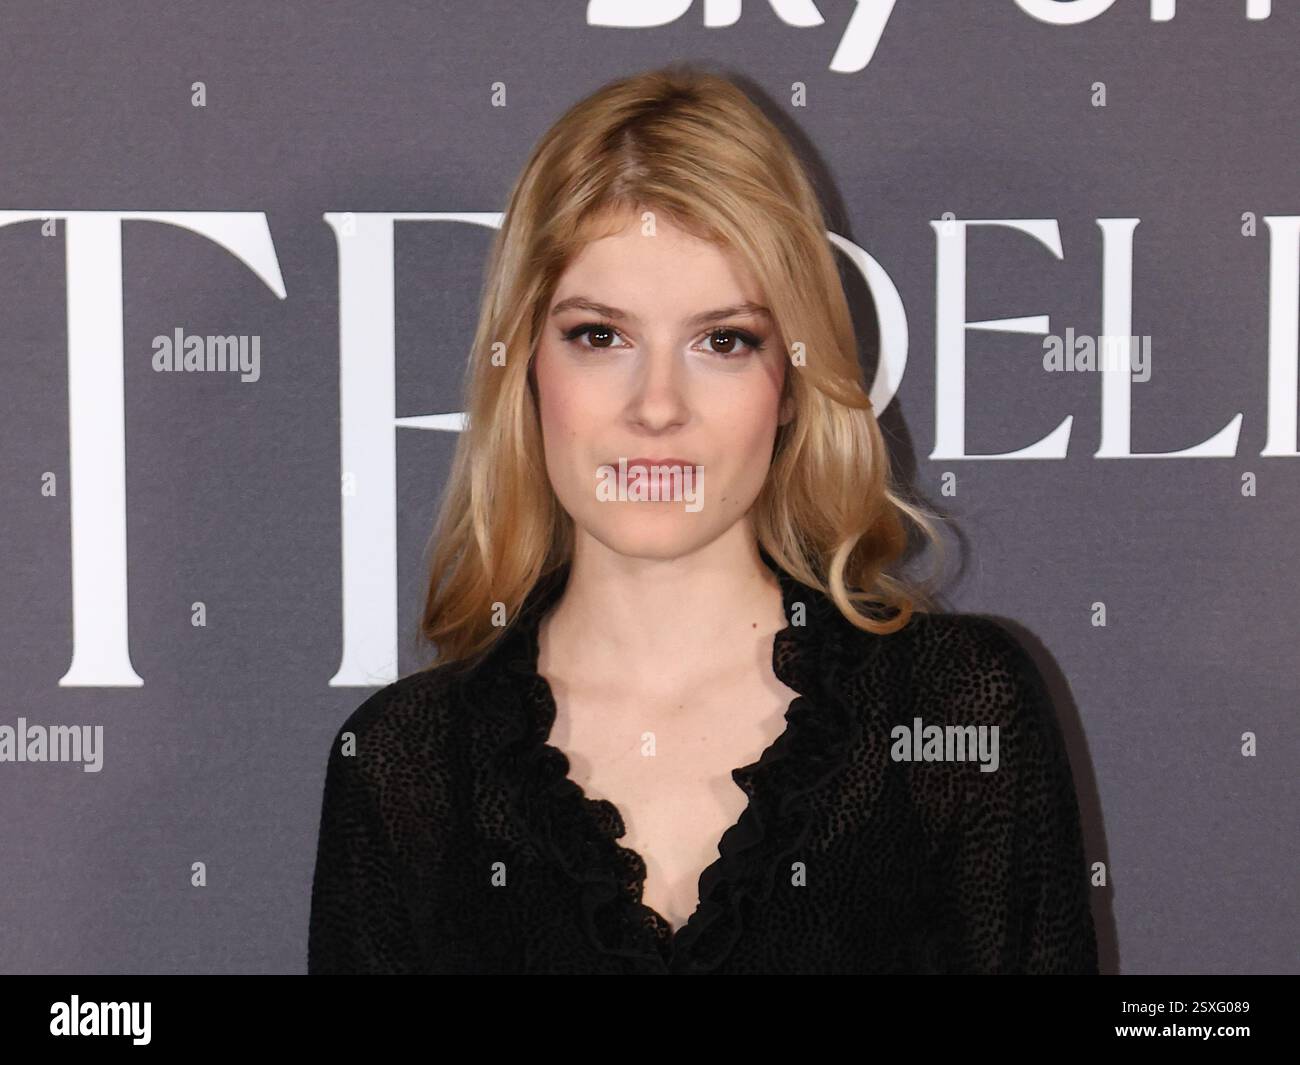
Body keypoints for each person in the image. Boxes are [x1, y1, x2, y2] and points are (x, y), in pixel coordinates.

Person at [307, 64, 1099, 974]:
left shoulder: (956, 714)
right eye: (600, 336)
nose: (657, 406)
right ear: (523, 364)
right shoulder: (405, 766)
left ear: (793, 377)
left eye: (723, 340)